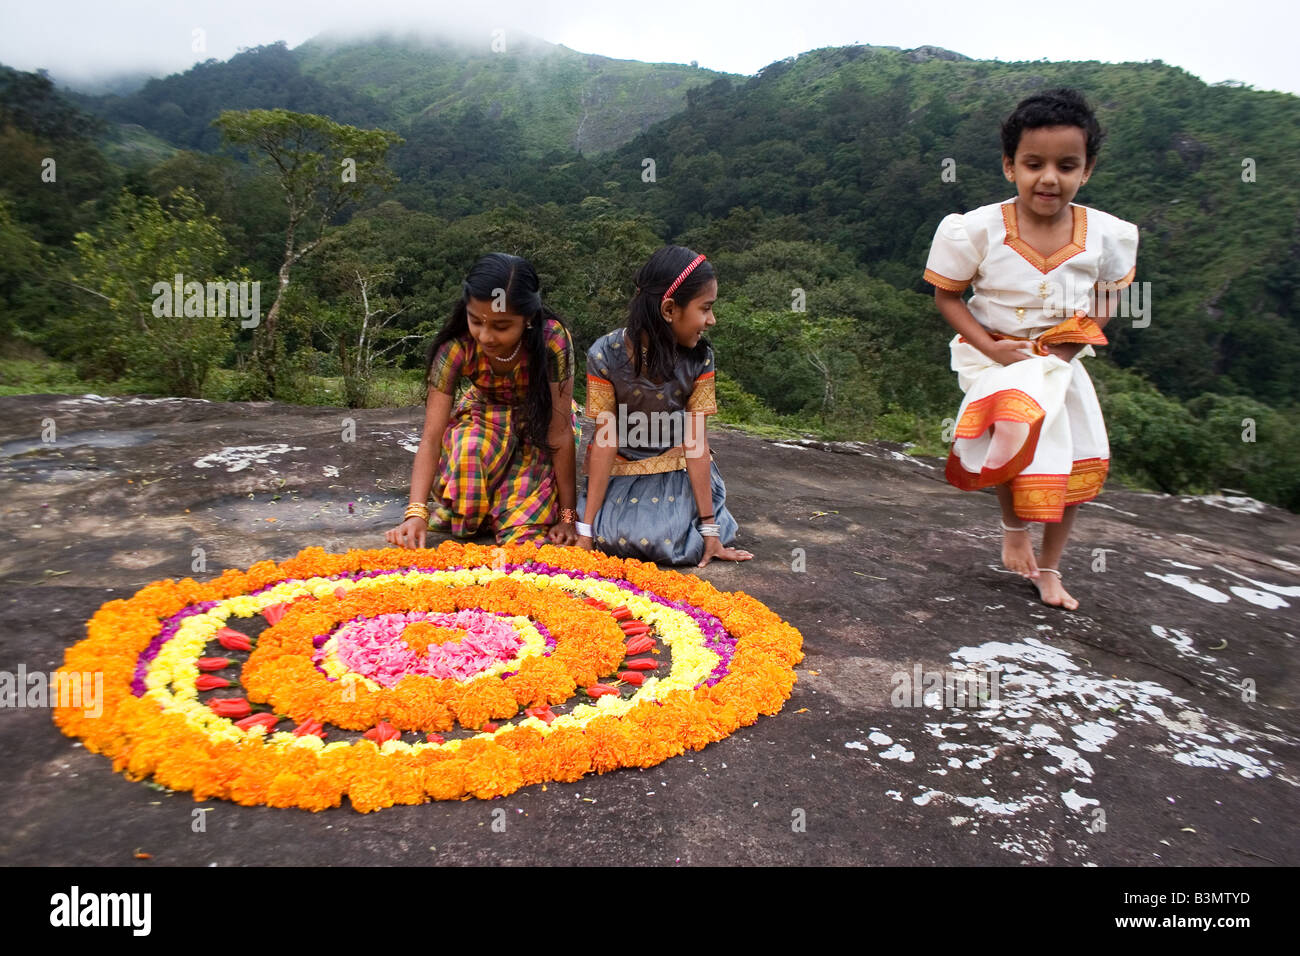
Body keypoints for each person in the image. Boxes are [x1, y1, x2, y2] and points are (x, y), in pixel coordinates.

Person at [923, 88, 1138, 610]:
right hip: (994, 355)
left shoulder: (1104, 235)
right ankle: (1013, 527)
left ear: (1086, 170)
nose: (1049, 178)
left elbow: (1111, 290)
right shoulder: (977, 228)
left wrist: (1072, 345)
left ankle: (1049, 569)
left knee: (1068, 456)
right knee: (1009, 428)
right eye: (1033, 163)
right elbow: (947, 295)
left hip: (1060, 361)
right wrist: (993, 352)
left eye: (1067, 165)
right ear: (1009, 166)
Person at [385, 253, 578, 549]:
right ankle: (487, 507)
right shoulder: (457, 346)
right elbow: (432, 435)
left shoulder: (552, 339)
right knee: (469, 452)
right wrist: (416, 512)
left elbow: (560, 431)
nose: (485, 336)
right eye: (476, 321)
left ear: (528, 318)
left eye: (501, 326)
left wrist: (567, 515)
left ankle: (512, 504)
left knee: (523, 528)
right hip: (484, 416)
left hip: (539, 420)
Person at [577, 245, 752, 568]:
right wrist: (585, 533)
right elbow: (605, 440)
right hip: (620, 468)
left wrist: (711, 531)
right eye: (706, 308)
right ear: (670, 309)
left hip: (677, 469)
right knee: (607, 536)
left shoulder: (700, 358)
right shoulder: (604, 354)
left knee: (672, 541)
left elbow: (696, 444)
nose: (711, 320)